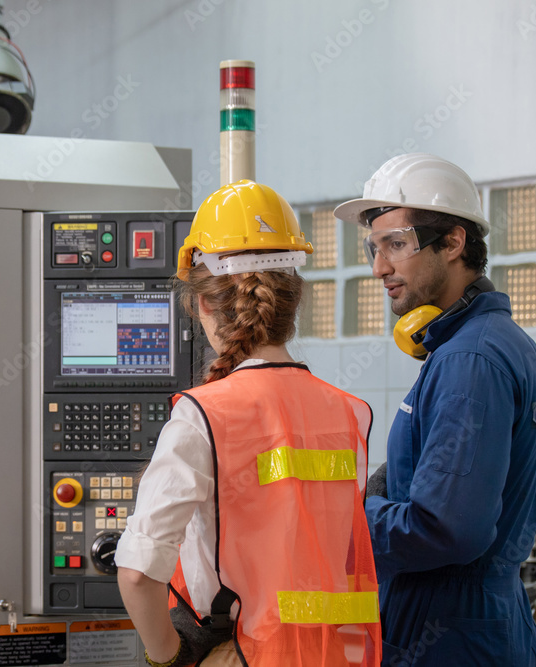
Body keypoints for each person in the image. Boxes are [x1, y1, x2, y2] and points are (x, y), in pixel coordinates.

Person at [116, 180, 381, 667]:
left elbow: (136, 574)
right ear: (293, 302)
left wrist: (169, 657)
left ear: (203, 303)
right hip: (332, 657)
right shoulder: (348, 411)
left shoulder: (201, 415)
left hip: (238, 653)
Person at [334, 153, 536, 666]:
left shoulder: (469, 361)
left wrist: (340, 517)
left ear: (452, 242)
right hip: (481, 623)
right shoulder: (499, 345)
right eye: (373, 248)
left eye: (396, 244)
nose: (379, 267)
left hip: (449, 631)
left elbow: (446, 529)